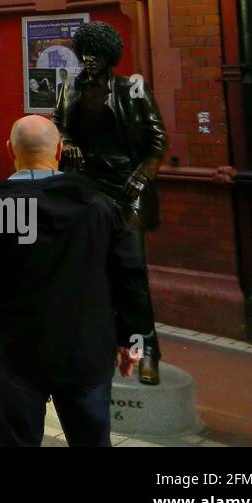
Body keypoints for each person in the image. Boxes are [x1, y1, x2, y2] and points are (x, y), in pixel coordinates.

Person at [0, 115, 150, 447]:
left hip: (18, 350)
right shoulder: (100, 205)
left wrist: (0, 322)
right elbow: (130, 276)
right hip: (87, 348)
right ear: (60, 150)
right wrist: (130, 338)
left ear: (9, 150)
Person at [52, 20, 167, 383]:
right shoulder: (71, 87)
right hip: (87, 185)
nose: (88, 60)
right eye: (84, 53)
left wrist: (142, 175)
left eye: (96, 54)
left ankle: (145, 349)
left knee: (130, 269)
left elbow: (157, 140)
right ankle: (98, 341)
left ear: (109, 57)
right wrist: (66, 143)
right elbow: (58, 124)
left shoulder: (131, 89)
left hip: (127, 185)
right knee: (90, 264)